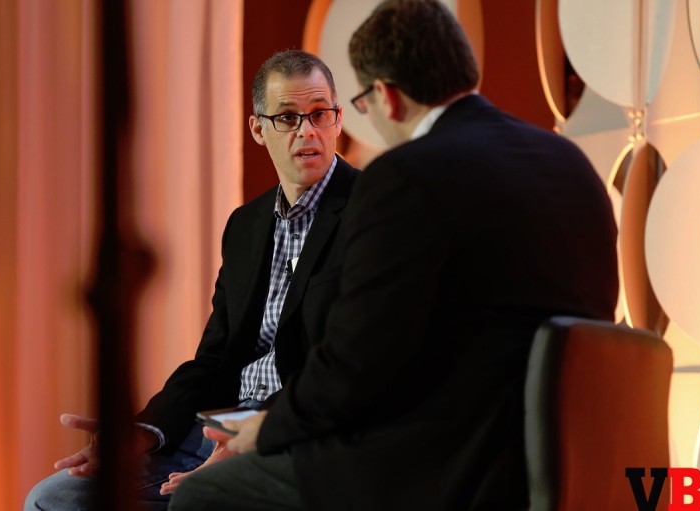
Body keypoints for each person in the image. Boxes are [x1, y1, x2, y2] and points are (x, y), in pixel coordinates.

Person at [168, 1, 620, 510]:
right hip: (570, 460)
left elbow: (357, 363)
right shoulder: (571, 163)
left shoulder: (406, 176)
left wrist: (264, 430)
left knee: (206, 495)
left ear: (384, 95)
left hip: (444, 469)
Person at [23, 49, 360, 510]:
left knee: (198, 502)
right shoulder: (246, 225)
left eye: (320, 114)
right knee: (54, 500)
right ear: (259, 129)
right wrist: (142, 430)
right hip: (212, 429)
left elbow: (351, 368)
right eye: (288, 118)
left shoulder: (373, 212)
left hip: (296, 437)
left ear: (338, 119)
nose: (308, 130)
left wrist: (253, 435)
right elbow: (214, 358)